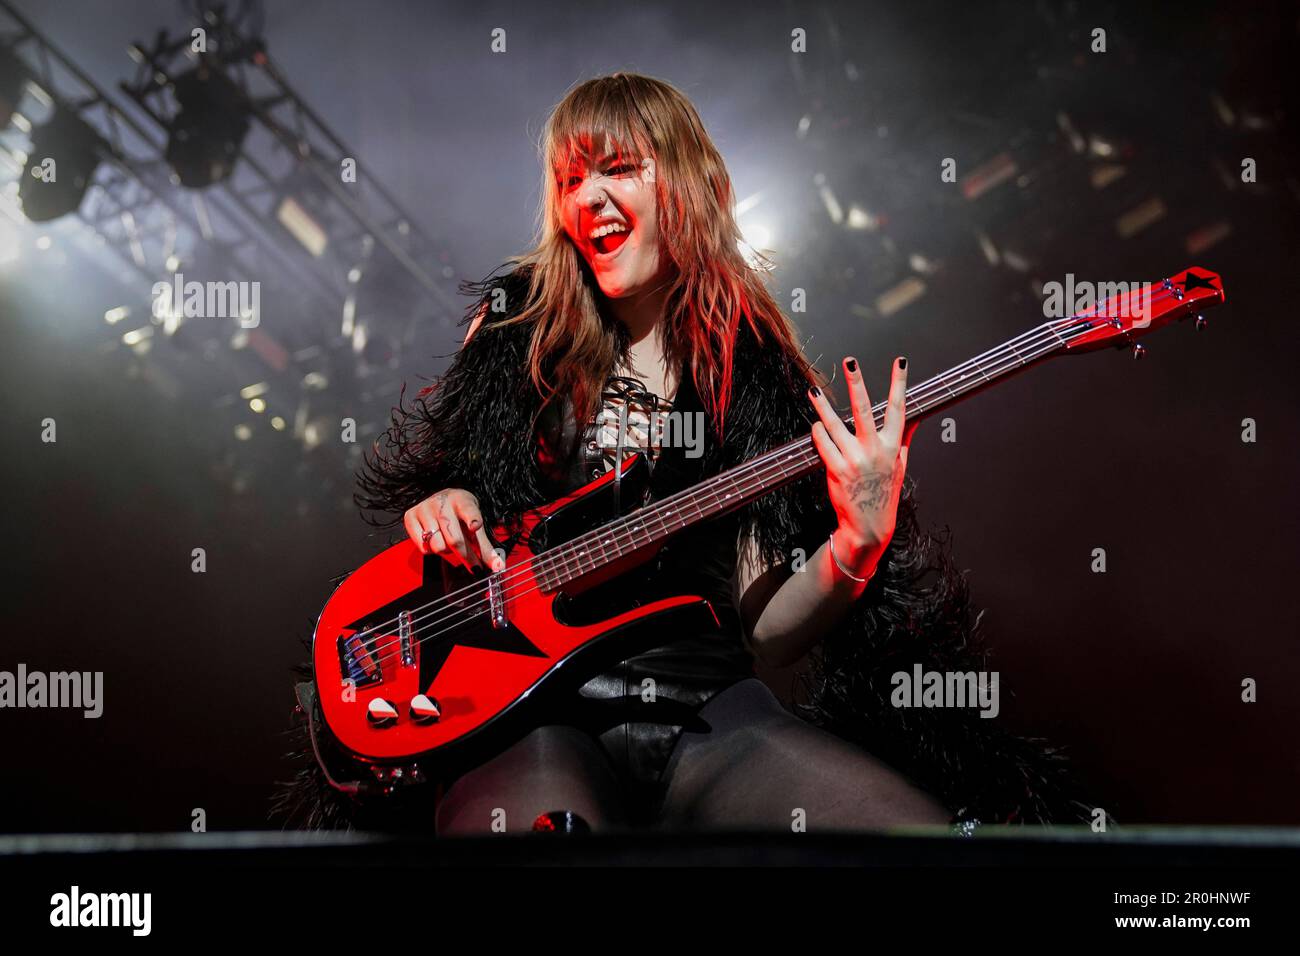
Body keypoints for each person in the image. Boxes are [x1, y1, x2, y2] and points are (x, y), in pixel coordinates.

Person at [279, 72, 1089, 834]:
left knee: (920, 845)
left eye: (619, 169)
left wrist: (858, 541)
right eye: (569, 180)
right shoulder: (517, 331)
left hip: (704, 706)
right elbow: (459, 484)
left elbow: (766, 633)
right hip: (527, 707)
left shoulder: (755, 373)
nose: (588, 199)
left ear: (684, 182)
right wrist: (447, 498)